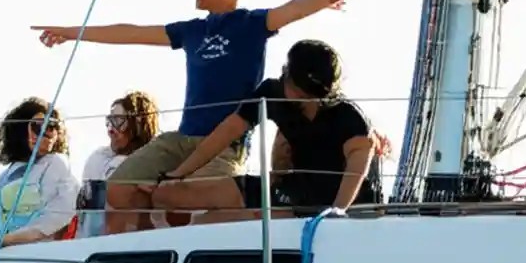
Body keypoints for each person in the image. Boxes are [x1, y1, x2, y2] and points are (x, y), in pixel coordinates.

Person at [31, 0, 346, 233]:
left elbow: (291, 9)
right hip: (182, 139)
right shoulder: (192, 31)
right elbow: (132, 33)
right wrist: (72, 33)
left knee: (181, 197)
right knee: (119, 186)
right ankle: (131, 256)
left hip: (225, 145)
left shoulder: (252, 24)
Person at [152, 39, 382, 220]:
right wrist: (179, 173)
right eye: (301, 94)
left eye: (315, 97)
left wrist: (336, 211)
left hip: (328, 200)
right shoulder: (272, 92)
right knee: (166, 195)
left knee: (212, 223)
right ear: (286, 75)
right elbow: (227, 132)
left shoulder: (350, 117)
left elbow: (356, 170)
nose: (308, 101)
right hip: (291, 188)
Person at [0, 98, 80, 248]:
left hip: (37, 252)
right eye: (38, 126)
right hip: (3, 253)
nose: (45, 133)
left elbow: (57, 216)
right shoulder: (6, 174)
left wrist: (6, 240)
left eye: (52, 126)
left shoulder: (56, 163)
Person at [77, 90, 161, 237]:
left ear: (138, 124)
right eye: (109, 121)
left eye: (118, 121)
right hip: (91, 242)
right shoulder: (97, 158)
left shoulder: (156, 160)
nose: (111, 130)